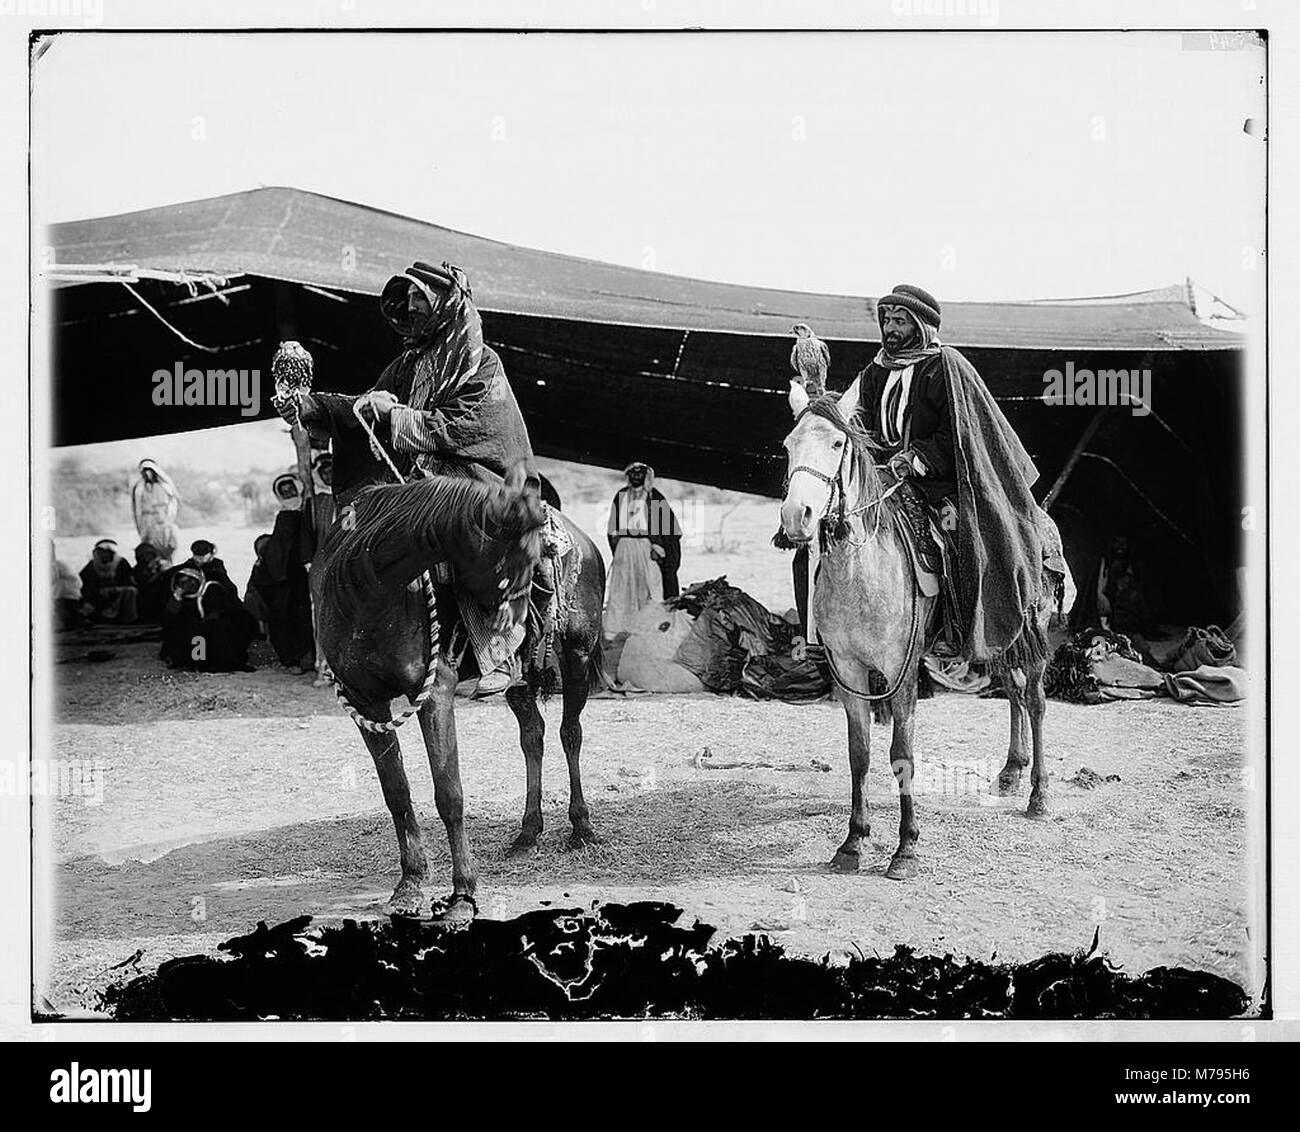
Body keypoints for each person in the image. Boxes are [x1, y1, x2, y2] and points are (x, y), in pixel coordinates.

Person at [345, 261, 541, 697]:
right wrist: (360, 403)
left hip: (482, 475)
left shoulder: (483, 364)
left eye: (421, 297)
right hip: (420, 480)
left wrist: (396, 414)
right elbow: (374, 405)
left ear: (447, 302)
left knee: (475, 539)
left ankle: (502, 652)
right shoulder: (407, 364)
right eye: (407, 298)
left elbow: (465, 427)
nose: (412, 306)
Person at [845, 282, 1047, 664]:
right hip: (882, 477)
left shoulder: (945, 366)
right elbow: (858, 419)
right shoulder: (875, 371)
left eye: (900, 320)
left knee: (960, 539)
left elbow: (958, 432)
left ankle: (955, 631)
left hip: (939, 480)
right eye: (887, 319)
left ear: (920, 325)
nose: (890, 327)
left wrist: (913, 458)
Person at [605, 461, 683, 637]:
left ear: (646, 476)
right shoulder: (621, 496)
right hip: (625, 548)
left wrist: (658, 547)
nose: (636, 477)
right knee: (621, 587)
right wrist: (617, 545)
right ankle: (617, 629)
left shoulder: (654, 497)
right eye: (632, 474)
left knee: (651, 587)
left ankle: (650, 626)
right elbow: (612, 525)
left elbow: (666, 525)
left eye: (640, 474)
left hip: (647, 548)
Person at [249, 473, 317, 673]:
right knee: (284, 616)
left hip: (301, 574)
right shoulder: (285, 516)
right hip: (283, 577)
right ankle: (291, 659)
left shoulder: (310, 508)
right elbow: (279, 551)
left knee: (304, 615)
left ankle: (306, 656)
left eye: (291, 490)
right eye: (284, 491)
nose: (289, 494)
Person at [160, 566, 256, 672]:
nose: (187, 585)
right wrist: (176, 599)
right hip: (202, 634)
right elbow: (169, 620)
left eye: (191, 581)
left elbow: (220, 612)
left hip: (226, 629)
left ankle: (229, 662)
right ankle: (197, 662)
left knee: (212, 630)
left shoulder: (212, 589)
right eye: (183, 582)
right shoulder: (182, 599)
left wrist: (201, 628)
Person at [131, 458, 180, 562]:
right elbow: (137, 509)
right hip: (147, 522)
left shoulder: (165, 486)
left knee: (166, 547)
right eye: (145, 471)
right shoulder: (139, 488)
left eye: (149, 470)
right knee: (149, 548)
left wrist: (168, 519)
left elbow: (173, 504)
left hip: (163, 522)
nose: (147, 474)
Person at [78, 539, 139, 624]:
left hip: (118, 597)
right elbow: (83, 586)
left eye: (106, 552)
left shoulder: (121, 563)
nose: (103, 555)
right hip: (98, 599)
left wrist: (114, 590)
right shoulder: (91, 567)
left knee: (131, 592)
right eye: (100, 552)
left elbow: (130, 583)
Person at [132, 541, 170, 623]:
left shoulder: (163, 565)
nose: (144, 558)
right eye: (141, 555)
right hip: (143, 595)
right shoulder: (138, 568)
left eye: (147, 555)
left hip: (160, 593)